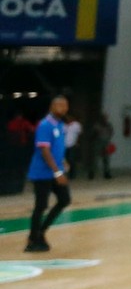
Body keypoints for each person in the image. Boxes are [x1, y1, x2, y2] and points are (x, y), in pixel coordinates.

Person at [25, 95, 72, 253]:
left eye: (65, 105)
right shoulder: (45, 125)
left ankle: (41, 232)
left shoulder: (59, 125)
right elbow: (44, 150)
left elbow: (55, 147)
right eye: (59, 105)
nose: (63, 108)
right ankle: (32, 240)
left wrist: (63, 160)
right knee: (41, 205)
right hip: (42, 172)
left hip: (55, 170)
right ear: (52, 107)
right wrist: (57, 171)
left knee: (64, 200)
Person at [62, 113, 82, 181]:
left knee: (71, 159)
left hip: (72, 145)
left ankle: (72, 174)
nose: (67, 120)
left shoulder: (76, 125)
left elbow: (79, 134)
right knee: (64, 160)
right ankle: (65, 174)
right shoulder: (63, 125)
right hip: (64, 145)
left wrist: (77, 141)